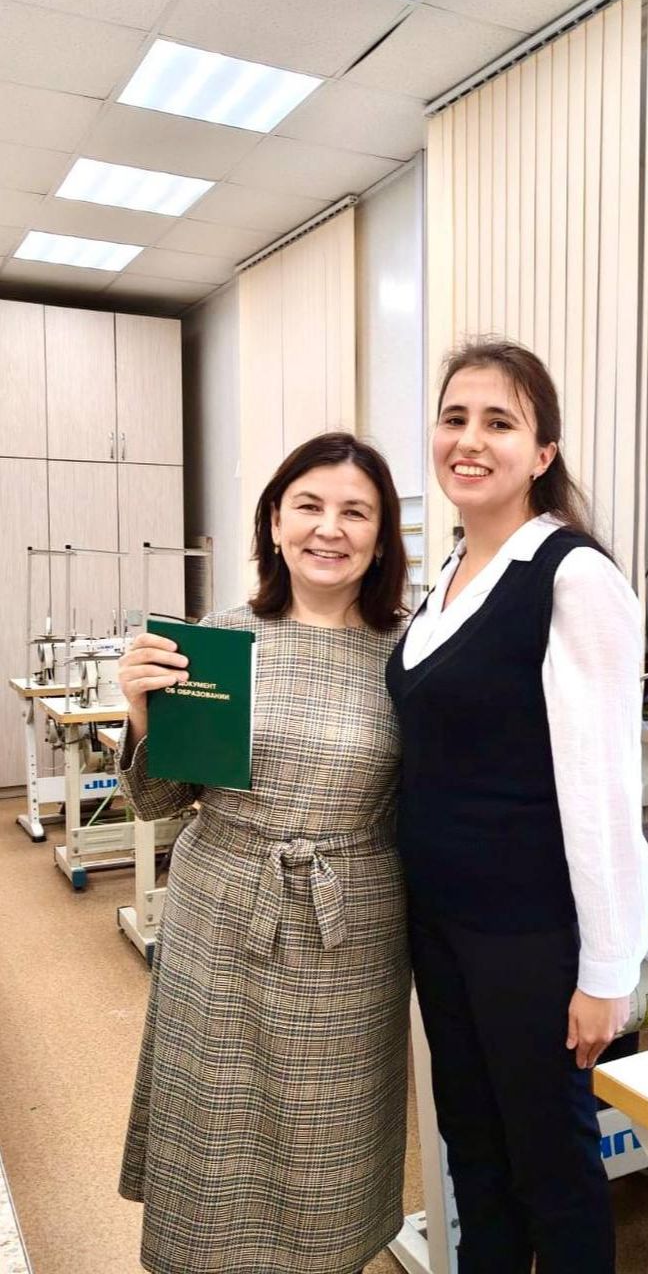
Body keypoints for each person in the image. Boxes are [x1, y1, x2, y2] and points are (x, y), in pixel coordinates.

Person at [385, 338, 648, 1274]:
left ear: (541, 453)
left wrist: (607, 970)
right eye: (453, 418)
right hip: (442, 924)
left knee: (550, 1164)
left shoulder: (570, 576)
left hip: (526, 934)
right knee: (472, 1147)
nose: (469, 439)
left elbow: (603, 784)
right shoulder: (450, 576)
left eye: (498, 422)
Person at [116, 432, 411, 1274]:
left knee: (331, 1141)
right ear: (275, 523)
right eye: (308, 506)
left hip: (351, 924)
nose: (329, 528)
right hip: (220, 912)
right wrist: (140, 713)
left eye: (355, 511)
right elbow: (159, 802)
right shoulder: (217, 643)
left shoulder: (410, 653)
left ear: (381, 536)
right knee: (213, 1129)